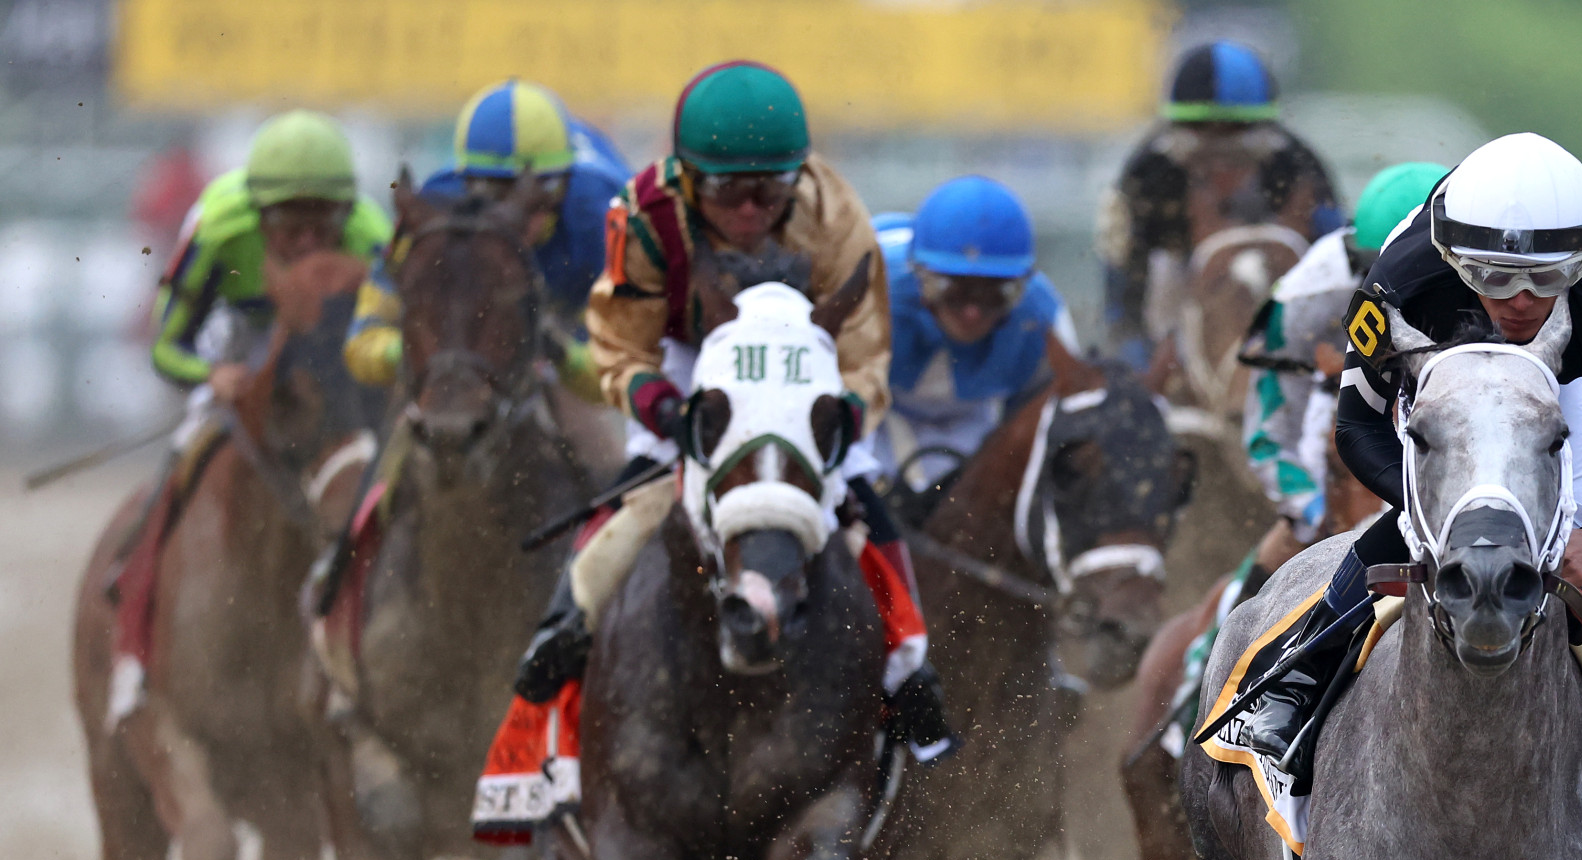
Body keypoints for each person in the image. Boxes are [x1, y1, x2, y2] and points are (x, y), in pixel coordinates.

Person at [1219, 132, 1582, 839]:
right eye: (1494, 277)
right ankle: (1298, 677)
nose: (1522, 301)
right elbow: (1360, 430)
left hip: (1566, 381)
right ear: (1452, 257)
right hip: (1441, 358)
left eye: (1546, 279)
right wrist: (1431, 515)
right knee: (1432, 515)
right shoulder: (1401, 278)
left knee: (1577, 513)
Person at [507, 59, 954, 760]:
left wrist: (841, 421)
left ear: (797, 178)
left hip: (807, 368)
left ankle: (907, 664)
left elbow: (864, 353)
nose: (749, 211)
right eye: (725, 189)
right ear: (687, 179)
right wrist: (663, 411)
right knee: (640, 498)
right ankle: (567, 627)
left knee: (862, 499)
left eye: (768, 189)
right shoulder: (643, 214)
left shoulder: (835, 214)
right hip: (692, 361)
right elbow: (621, 342)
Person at [111, 110, 391, 725]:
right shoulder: (217, 227)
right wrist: (211, 377)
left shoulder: (374, 237)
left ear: (347, 212)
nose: (309, 244)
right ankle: (133, 644)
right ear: (258, 215)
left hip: (330, 360)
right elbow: (164, 346)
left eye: (325, 223)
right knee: (182, 467)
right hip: (240, 344)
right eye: (289, 226)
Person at [343, 79, 632, 404]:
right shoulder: (436, 209)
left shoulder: (607, 218)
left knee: (595, 436)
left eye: (537, 193)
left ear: (565, 185)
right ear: (466, 186)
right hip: (471, 363)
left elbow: (630, 370)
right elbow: (362, 343)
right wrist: (411, 348)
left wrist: (559, 352)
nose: (518, 212)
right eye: (495, 195)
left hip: (576, 335)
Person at [1237, 159, 1443, 571]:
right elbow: (1270, 429)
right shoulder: (1306, 297)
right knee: (1260, 580)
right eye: (1384, 272)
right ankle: (1221, 632)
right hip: (1330, 442)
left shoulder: (1500, 285)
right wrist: (1309, 509)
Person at [1097, 39, 1339, 368]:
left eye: (1235, 147)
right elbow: (1123, 303)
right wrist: (1139, 369)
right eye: (1202, 145)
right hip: (1173, 304)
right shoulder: (1146, 181)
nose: (1219, 166)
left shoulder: (1299, 172)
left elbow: (1340, 271)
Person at [867, 175, 1079, 506]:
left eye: (995, 295)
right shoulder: (870, 288)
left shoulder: (1041, 321)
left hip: (972, 418)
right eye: (953, 291)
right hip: (871, 409)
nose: (971, 313)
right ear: (918, 274)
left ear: (1021, 285)